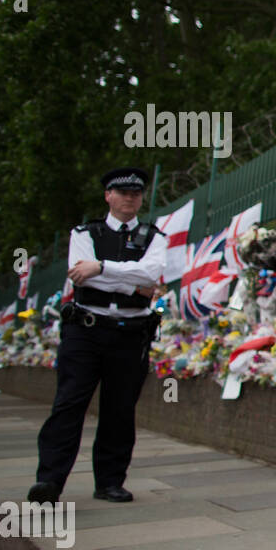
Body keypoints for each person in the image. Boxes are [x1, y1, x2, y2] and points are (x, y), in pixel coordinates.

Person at [29, 167, 167, 504]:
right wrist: (132, 283)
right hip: (86, 331)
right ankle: (49, 481)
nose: (130, 198)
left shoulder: (155, 237)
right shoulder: (84, 233)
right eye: (122, 192)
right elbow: (81, 275)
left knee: (119, 410)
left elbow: (151, 274)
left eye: (136, 193)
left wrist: (102, 268)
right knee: (68, 404)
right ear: (108, 196)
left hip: (131, 333)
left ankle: (109, 482)